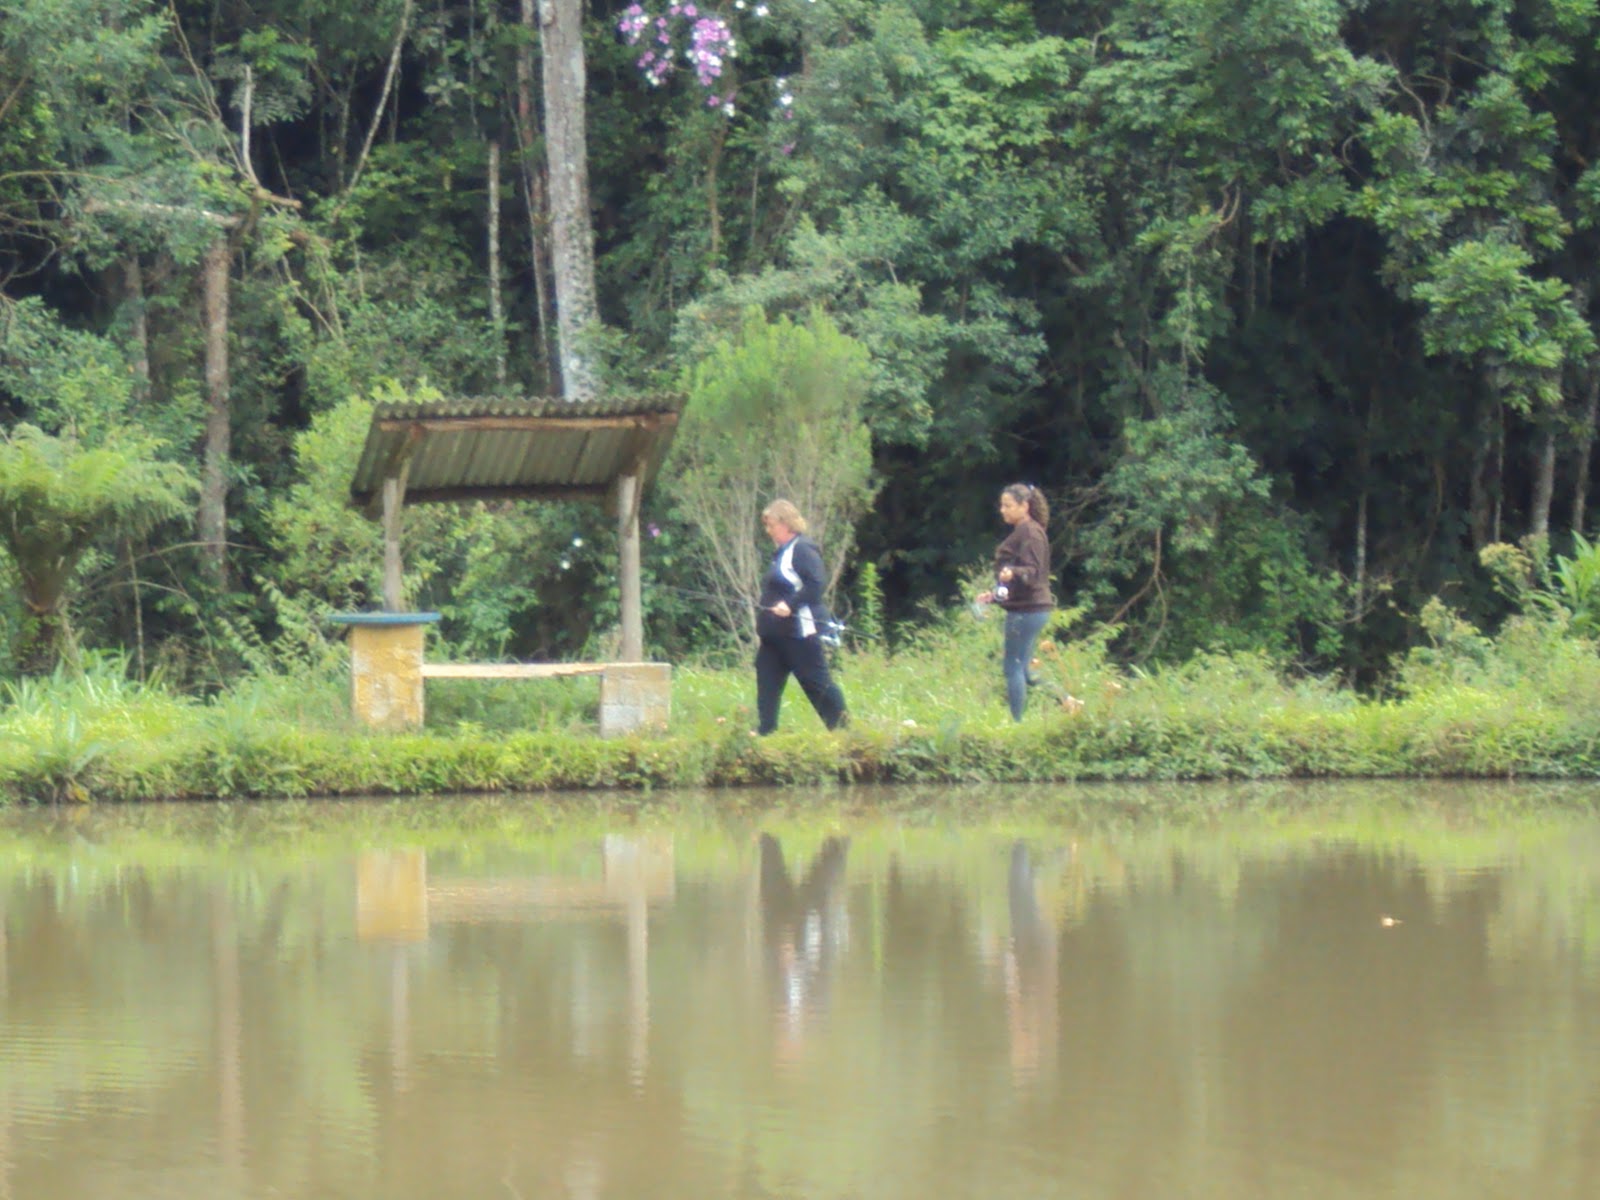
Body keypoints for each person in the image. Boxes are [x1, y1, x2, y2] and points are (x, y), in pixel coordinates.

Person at [755, 499, 847, 734]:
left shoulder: (802, 549)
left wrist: (790, 605)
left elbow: (816, 585)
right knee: (767, 679)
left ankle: (844, 731)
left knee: (815, 682)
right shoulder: (781, 553)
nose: (769, 531)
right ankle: (766, 732)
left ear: (786, 524)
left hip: (798, 633)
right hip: (774, 636)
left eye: (772, 525)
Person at [976, 483, 1053, 720]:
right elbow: (1014, 582)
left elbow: (1031, 573)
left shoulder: (1030, 532)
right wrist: (994, 596)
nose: (1003, 510)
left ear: (1024, 506)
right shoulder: (1024, 532)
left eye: (1008, 505)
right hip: (1028, 607)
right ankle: (1068, 701)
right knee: (1026, 671)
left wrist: (1013, 573)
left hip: (1027, 611)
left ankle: (1016, 723)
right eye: (1002, 505)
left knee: (1012, 668)